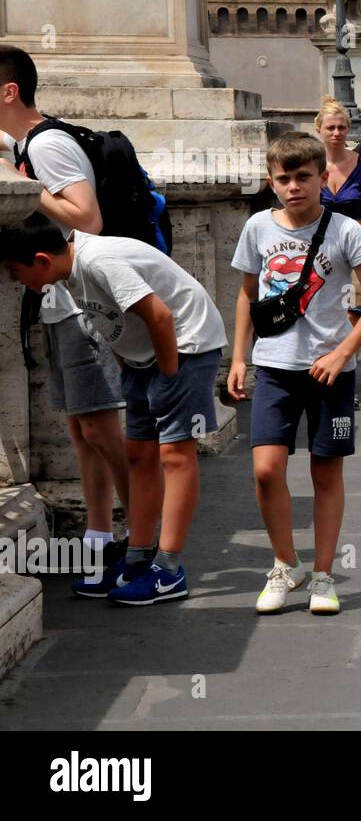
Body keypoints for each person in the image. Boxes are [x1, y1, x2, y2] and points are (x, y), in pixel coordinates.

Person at [1, 221, 227, 606]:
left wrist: (168, 375)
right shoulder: (67, 271)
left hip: (186, 346)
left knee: (175, 454)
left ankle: (169, 569)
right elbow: (110, 323)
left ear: (41, 260)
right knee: (139, 454)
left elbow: (160, 317)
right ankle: (138, 555)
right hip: (143, 359)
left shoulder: (99, 261)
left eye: (17, 273)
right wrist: (130, 365)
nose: (18, 282)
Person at [228, 132, 361, 614]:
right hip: (274, 367)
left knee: (326, 471)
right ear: (270, 182)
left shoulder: (346, 231)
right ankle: (285, 564)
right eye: (284, 179)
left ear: (324, 178)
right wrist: (239, 356)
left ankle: (323, 575)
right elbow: (247, 293)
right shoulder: (257, 227)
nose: (294, 187)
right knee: (265, 469)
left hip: (329, 371)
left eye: (304, 177)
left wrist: (345, 353)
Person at [0, 44, 131, 595]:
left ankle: (149, 528)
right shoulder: (32, 143)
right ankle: (102, 540)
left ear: (8, 92)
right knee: (83, 430)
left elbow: (86, 218)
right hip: (62, 302)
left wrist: (17, 178)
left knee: (99, 426)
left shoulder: (48, 144)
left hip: (82, 306)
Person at [316, 97, 361, 222]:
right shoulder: (309, 165)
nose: (336, 133)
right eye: (330, 128)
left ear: (348, 129)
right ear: (318, 130)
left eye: (341, 128)